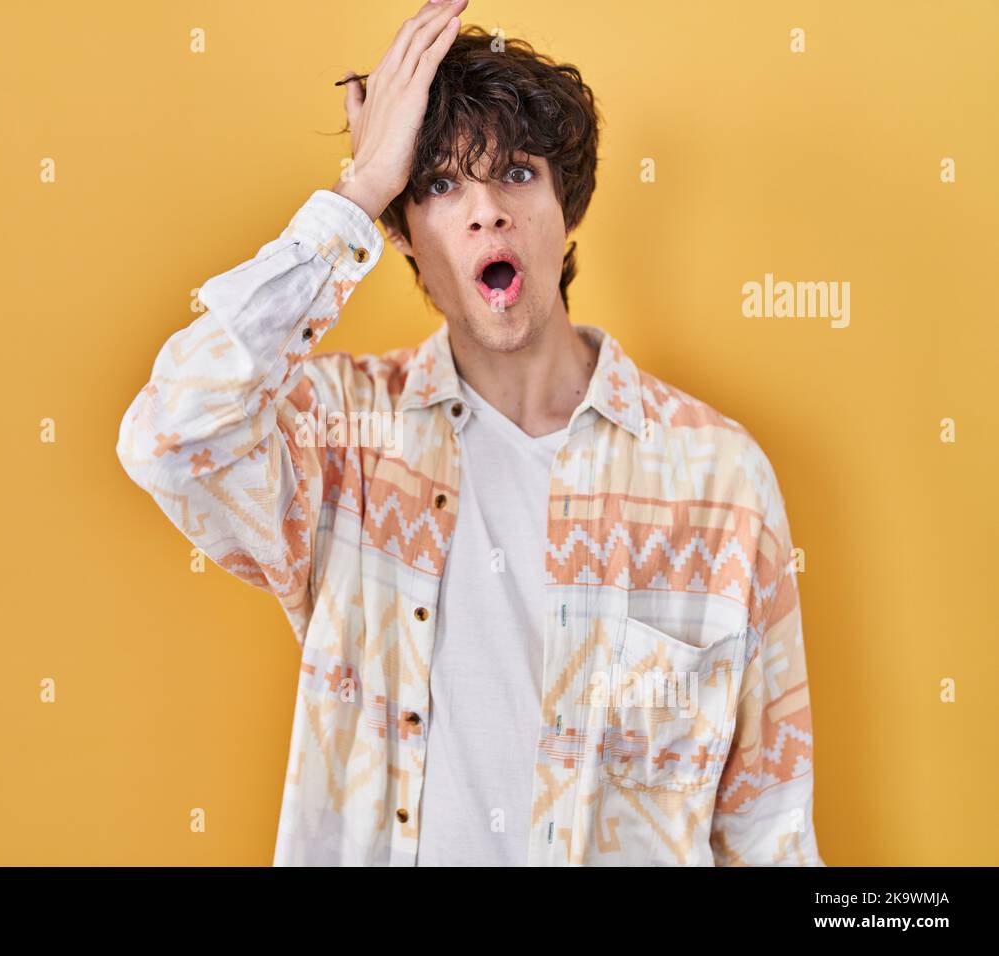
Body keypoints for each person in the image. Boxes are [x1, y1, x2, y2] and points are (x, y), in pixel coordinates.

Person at [117, 0, 822, 867]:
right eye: (442, 185)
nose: (486, 210)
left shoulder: (718, 479)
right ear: (406, 240)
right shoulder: (344, 442)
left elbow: (770, 833)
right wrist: (359, 191)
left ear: (567, 210)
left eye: (518, 174)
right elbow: (167, 434)